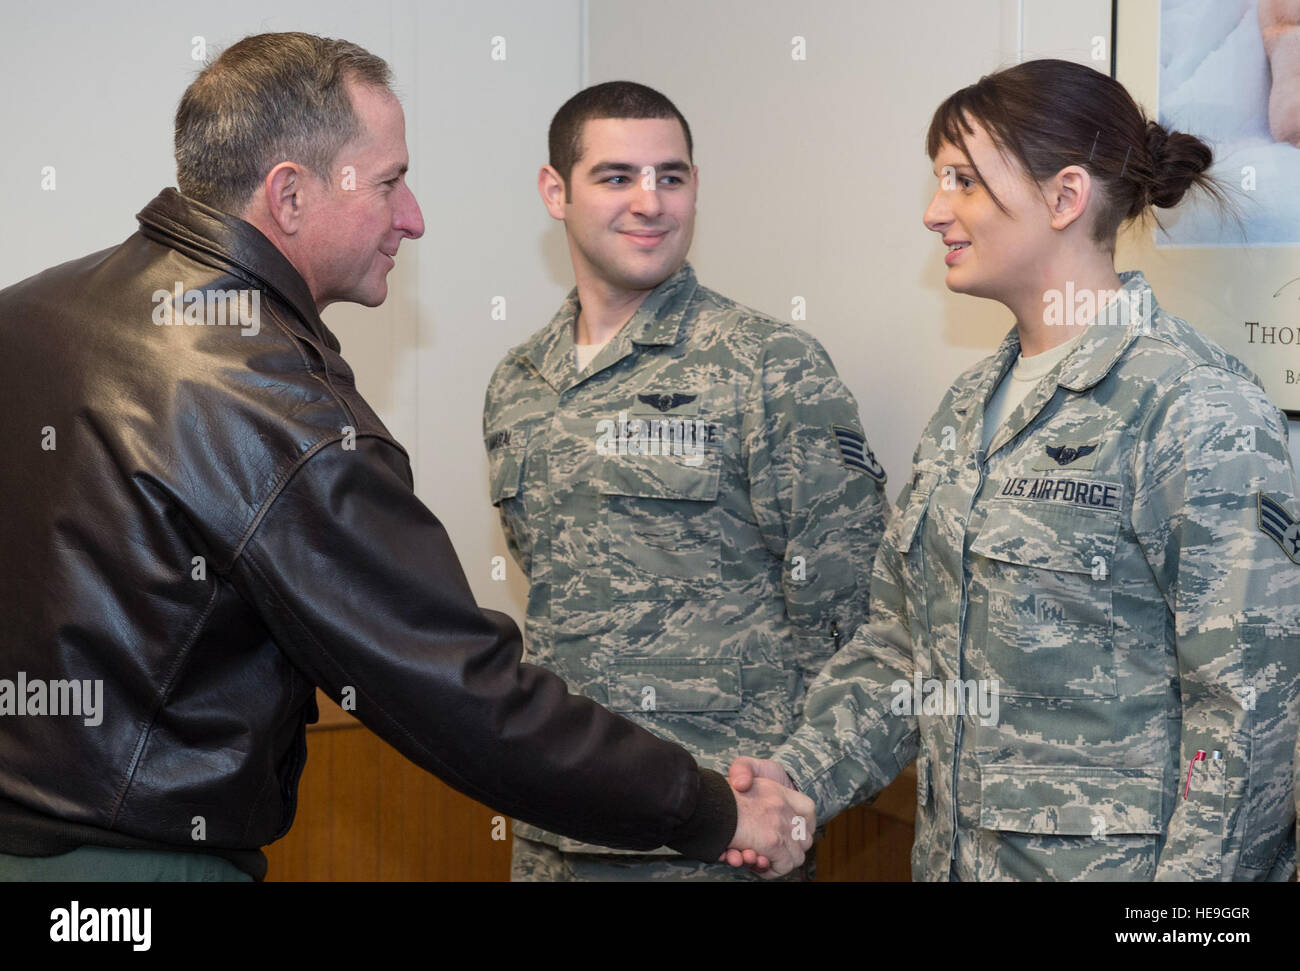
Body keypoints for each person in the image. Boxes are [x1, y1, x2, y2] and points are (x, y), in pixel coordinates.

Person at [0, 32, 812, 882]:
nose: (413, 216)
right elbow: (460, 691)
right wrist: (711, 806)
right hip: (138, 867)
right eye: (389, 182)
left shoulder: (31, 315)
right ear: (288, 195)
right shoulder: (271, 404)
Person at [731, 58, 1300, 880]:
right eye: (938, 181)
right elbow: (901, 651)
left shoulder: (1192, 407)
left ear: (1066, 197)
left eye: (963, 181)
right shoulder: (968, 409)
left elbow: (1246, 723)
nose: (934, 212)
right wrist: (798, 776)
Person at [483, 81, 888, 881]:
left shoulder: (770, 367)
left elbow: (858, 618)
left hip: (717, 841)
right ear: (555, 191)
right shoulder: (518, 382)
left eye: (671, 176)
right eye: (617, 177)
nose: (651, 202)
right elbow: (557, 582)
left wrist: (798, 788)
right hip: (551, 831)